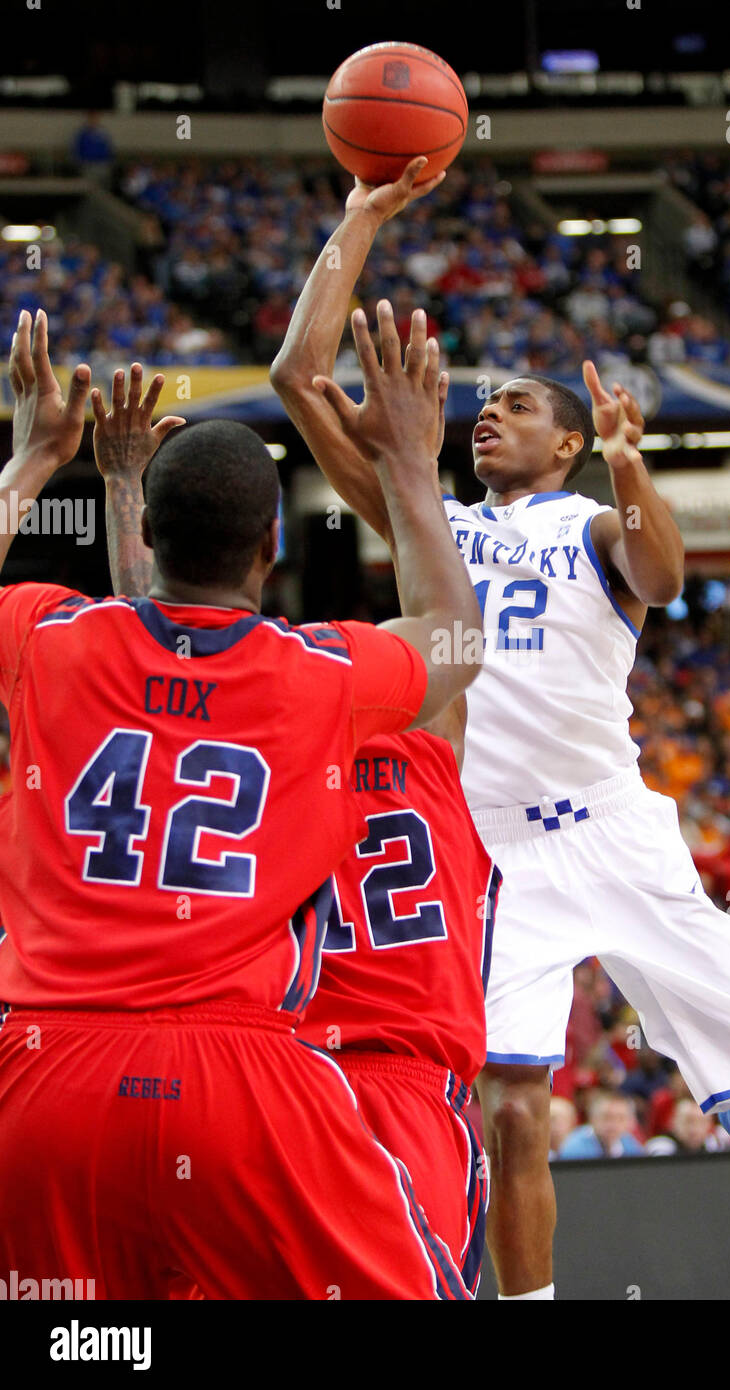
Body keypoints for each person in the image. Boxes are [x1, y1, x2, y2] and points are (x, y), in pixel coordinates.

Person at [272, 160, 730, 1302]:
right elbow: (299, 379)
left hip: (612, 829)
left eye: (521, 405)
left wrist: (636, 467)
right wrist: (356, 219)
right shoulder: (425, 518)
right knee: (511, 1106)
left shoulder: (593, 519)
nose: (490, 411)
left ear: (568, 446)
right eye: (483, 401)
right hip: (489, 856)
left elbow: (664, 573)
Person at [0, 307, 481, 1299]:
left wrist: (38, 461)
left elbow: (146, 626)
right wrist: (404, 459)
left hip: (42, 1072)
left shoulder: (51, 638)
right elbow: (455, 637)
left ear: (148, 534)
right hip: (242, 1080)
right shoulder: (322, 677)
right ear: (270, 549)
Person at [557, 1092, 644, 1160]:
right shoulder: (575, 1148)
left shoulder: (629, 1144)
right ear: (593, 1119)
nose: (613, 1124)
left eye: (620, 1118)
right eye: (607, 1117)